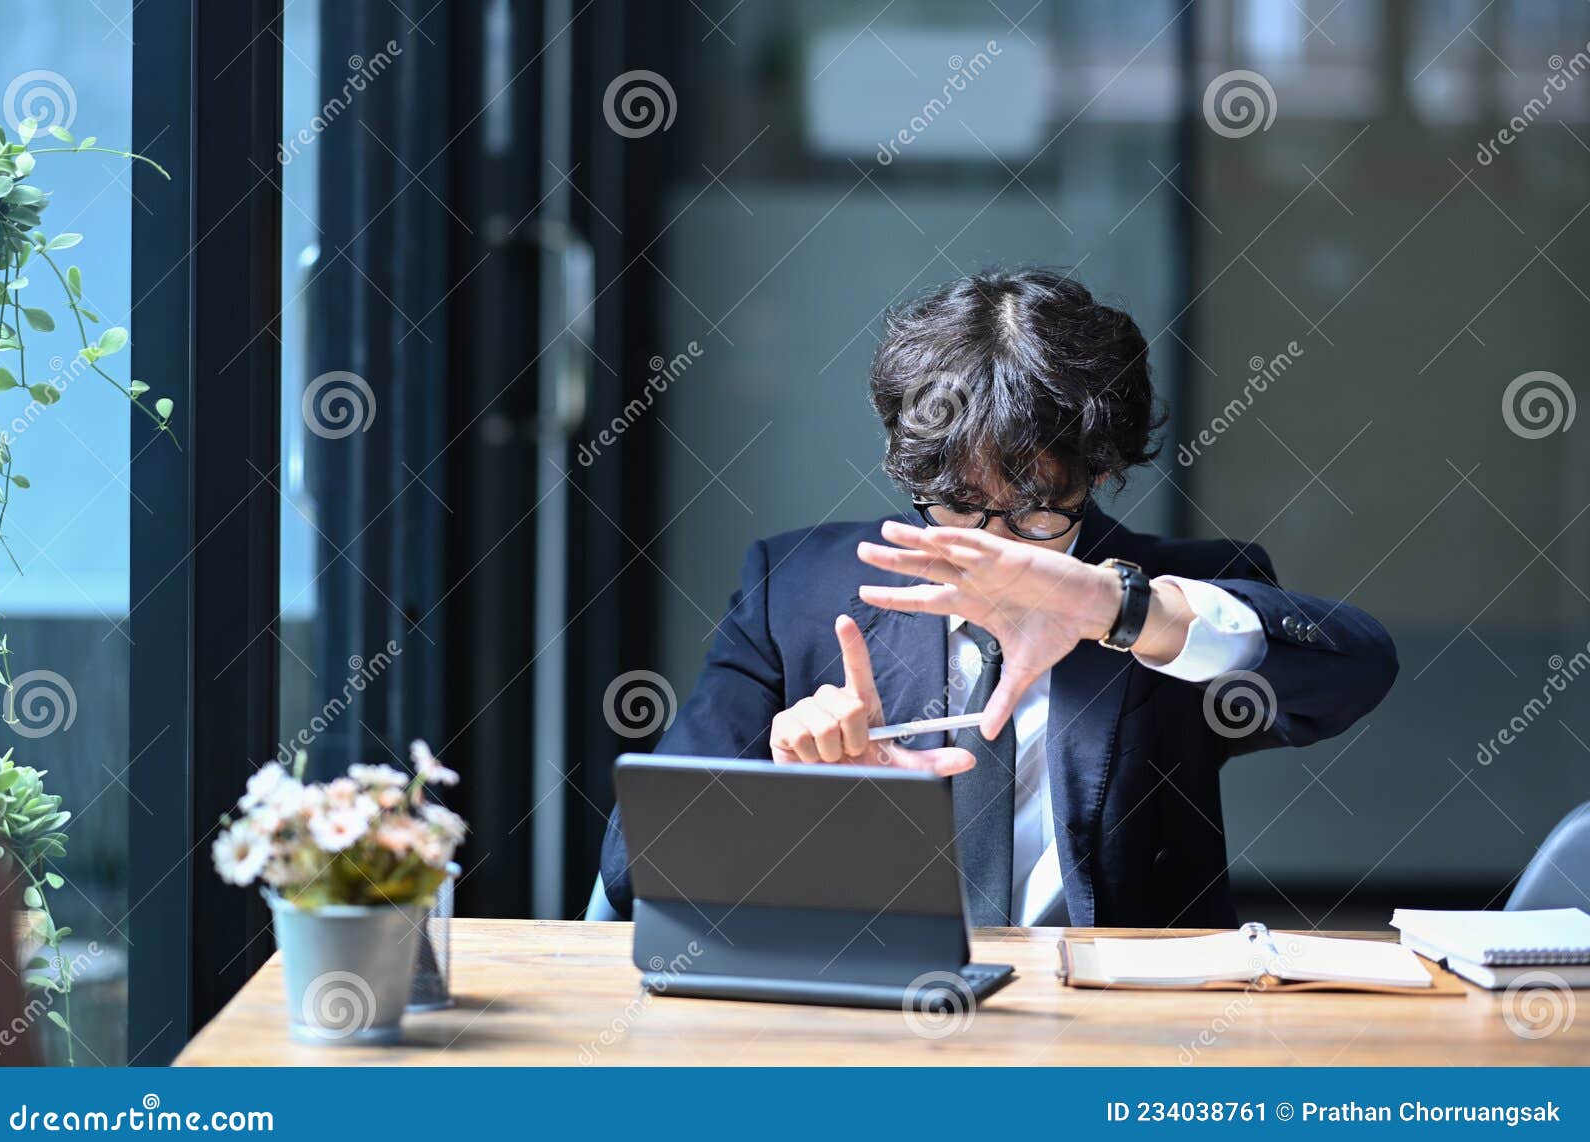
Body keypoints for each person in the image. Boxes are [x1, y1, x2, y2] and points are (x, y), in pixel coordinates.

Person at [598, 268, 1397, 928]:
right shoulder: (798, 587)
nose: (994, 547)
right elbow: (637, 861)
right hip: (873, 1023)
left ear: (1099, 473)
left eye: (1033, 510)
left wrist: (1114, 610)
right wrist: (796, 789)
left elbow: (1355, 671)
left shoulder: (1171, 595)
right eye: (958, 508)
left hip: (1115, 1034)